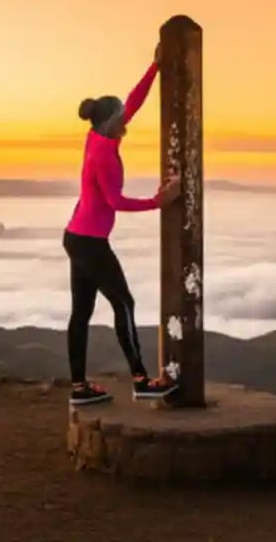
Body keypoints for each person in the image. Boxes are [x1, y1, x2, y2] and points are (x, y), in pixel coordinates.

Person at [63, 45, 181, 406]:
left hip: (76, 236)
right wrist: (158, 202)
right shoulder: (105, 155)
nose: (127, 121)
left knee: (81, 314)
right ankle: (142, 381)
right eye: (122, 118)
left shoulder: (98, 135)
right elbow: (115, 202)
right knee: (124, 304)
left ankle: (80, 388)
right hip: (91, 242)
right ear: (111, 122)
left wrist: (155, 67)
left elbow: (132, 101)